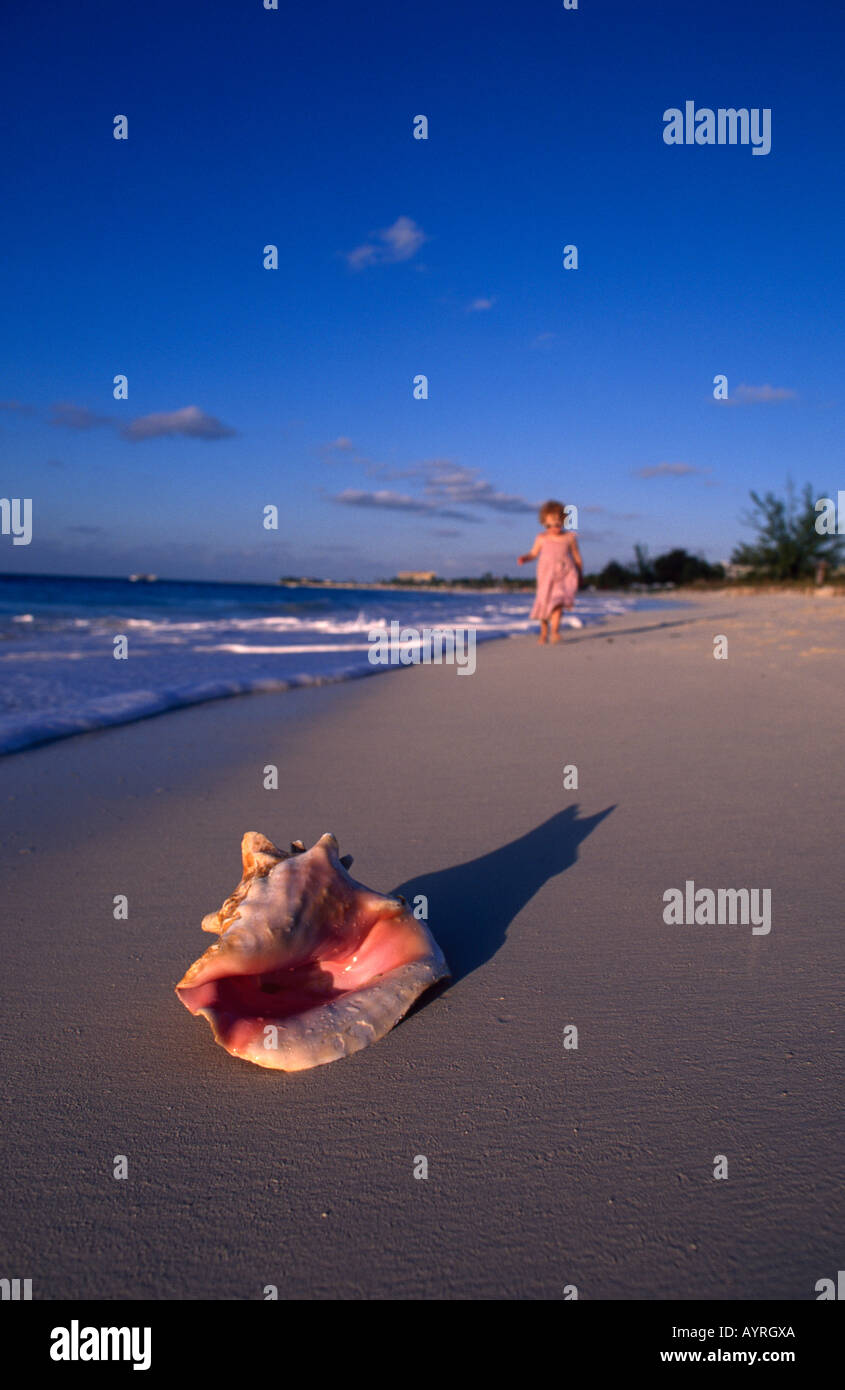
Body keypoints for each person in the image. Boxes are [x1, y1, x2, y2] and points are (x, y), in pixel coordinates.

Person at [518, 499, 583, 644]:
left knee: (558, 602)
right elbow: (534, 553)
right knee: (544, 602)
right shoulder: (542, 538)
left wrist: (580, 573)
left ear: (564, 521)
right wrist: (525, 558)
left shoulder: (569, 537)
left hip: (565, 574)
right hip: (546, 575)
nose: (553, 528)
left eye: (557, 524)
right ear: (543, 523)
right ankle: (543, 633)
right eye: (549, 525)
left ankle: (554, 631)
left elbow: (577, 557)